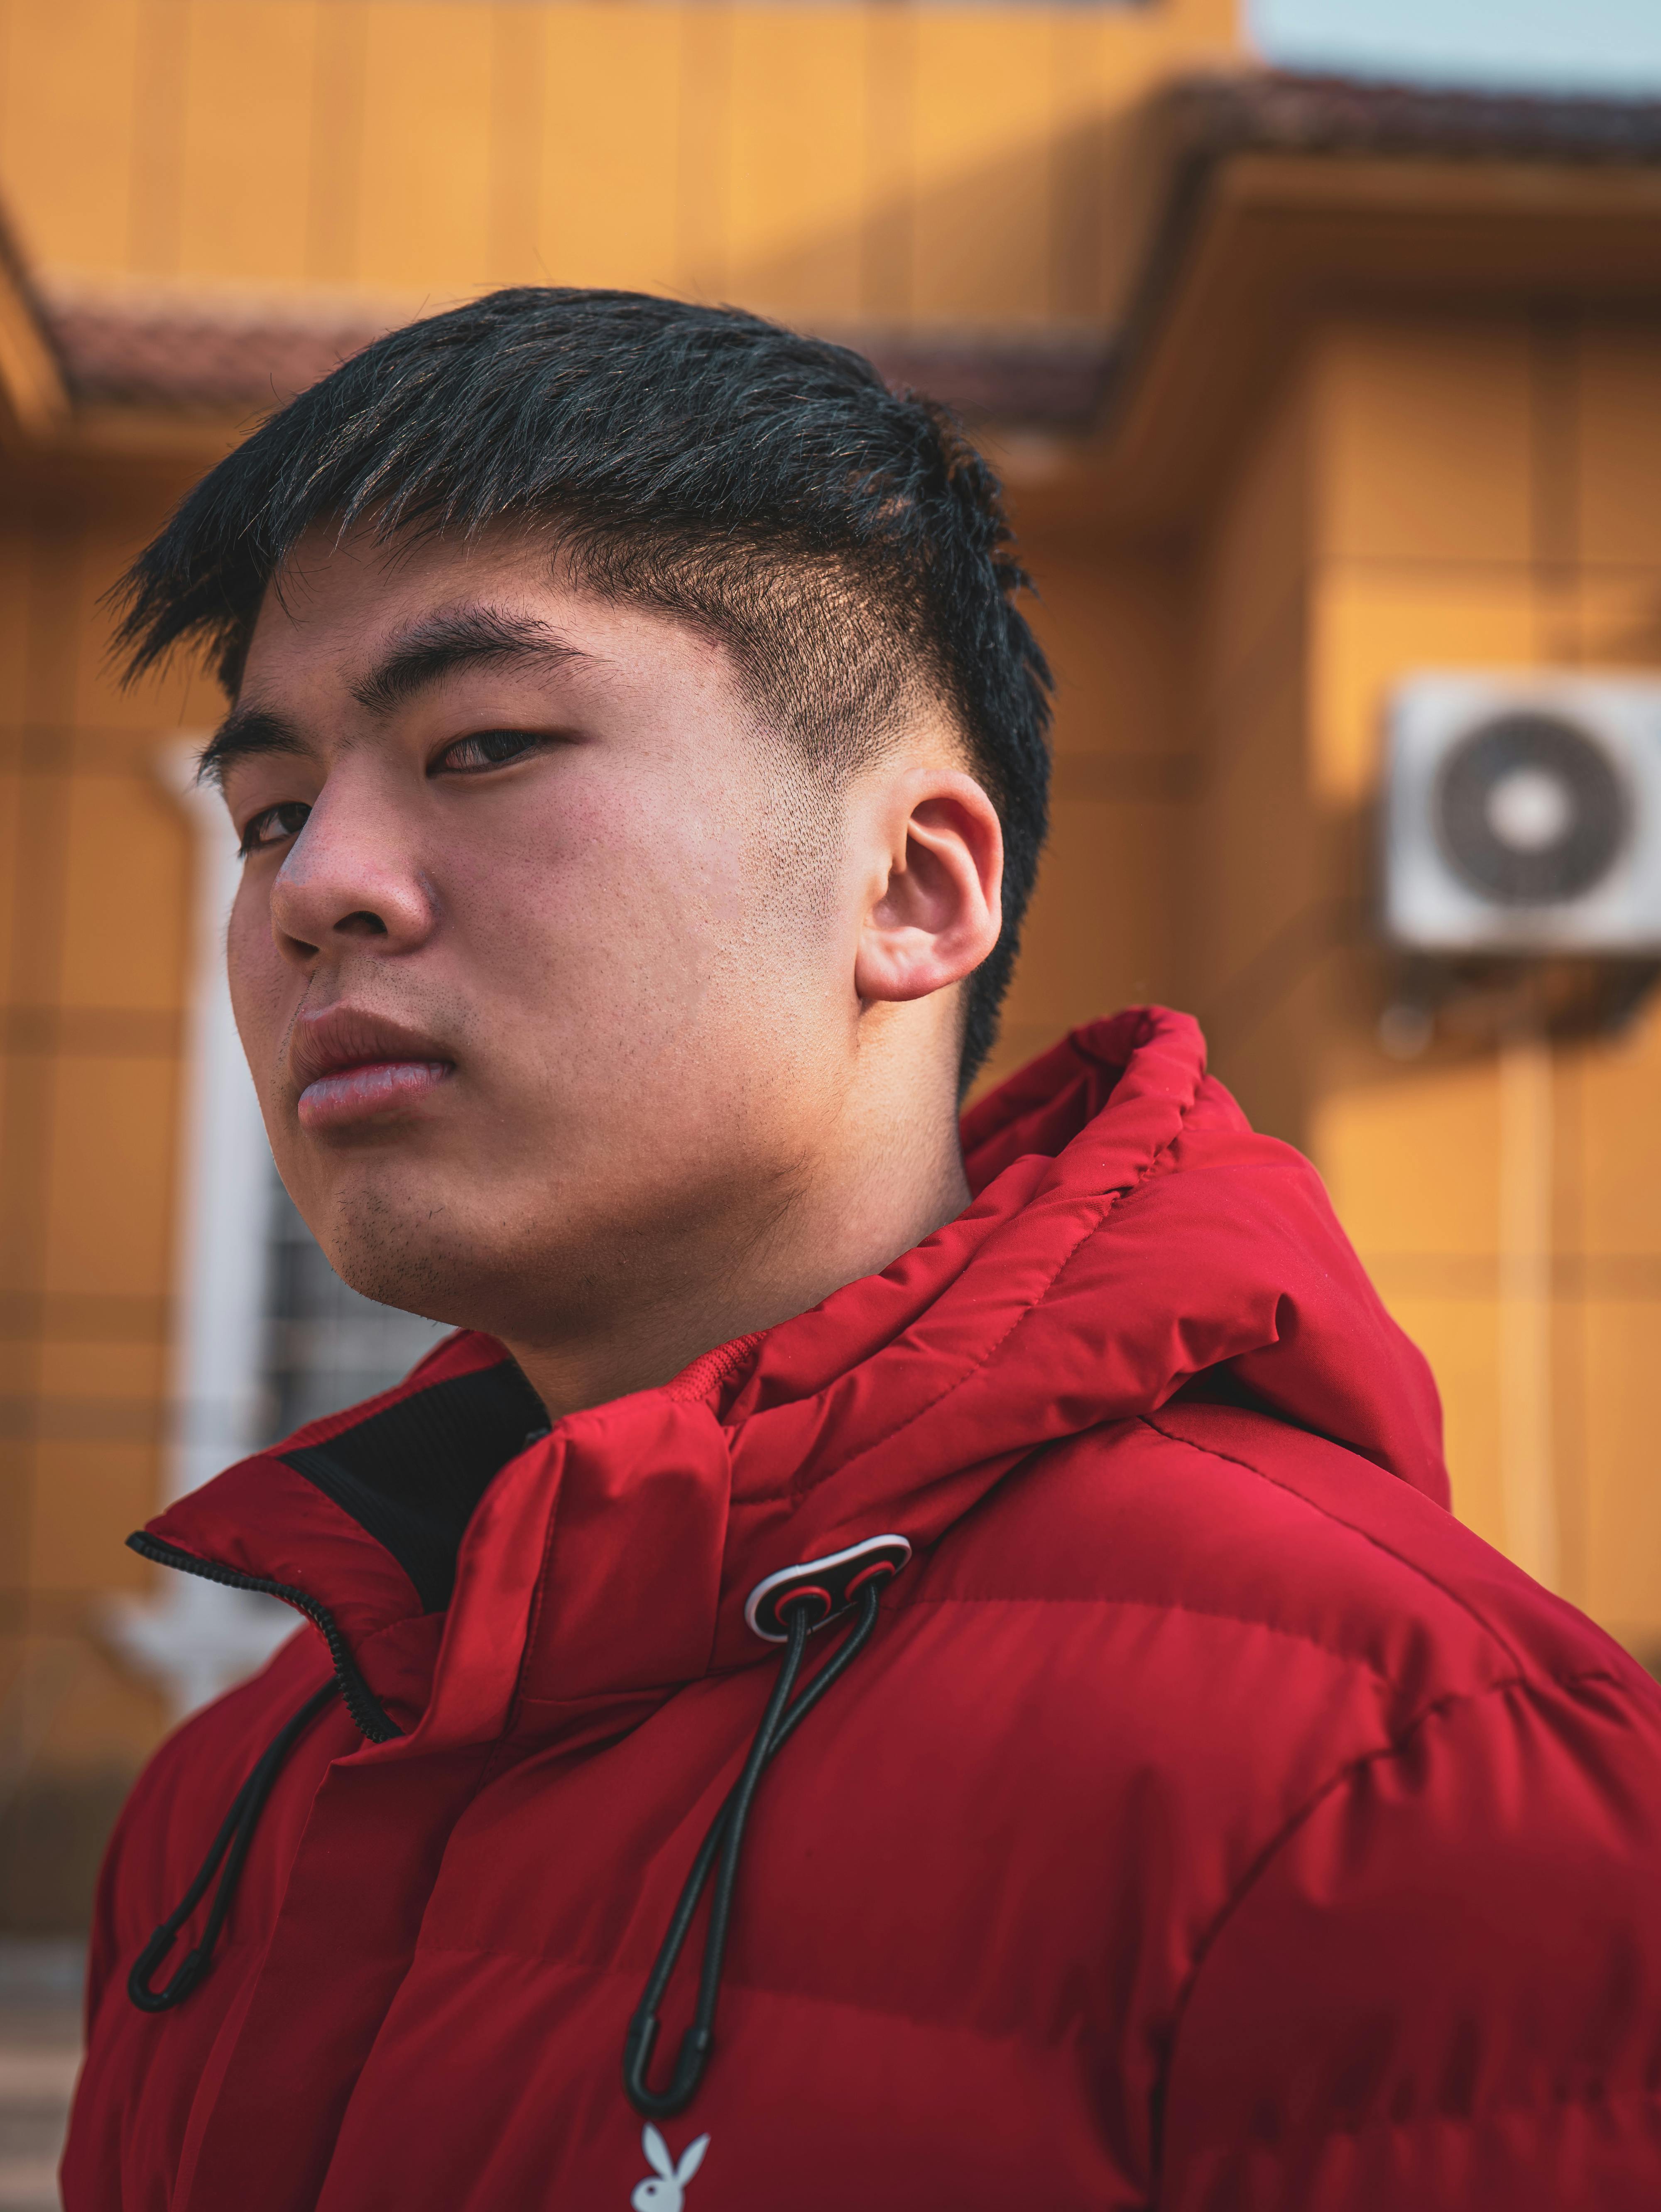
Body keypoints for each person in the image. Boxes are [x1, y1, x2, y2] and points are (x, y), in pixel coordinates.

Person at [64, 291, 1661, 2212]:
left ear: (911, 888)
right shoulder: (242, 1793)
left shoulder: (1399, 1778)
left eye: (480, 745)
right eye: (268, 814)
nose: (318, 888)